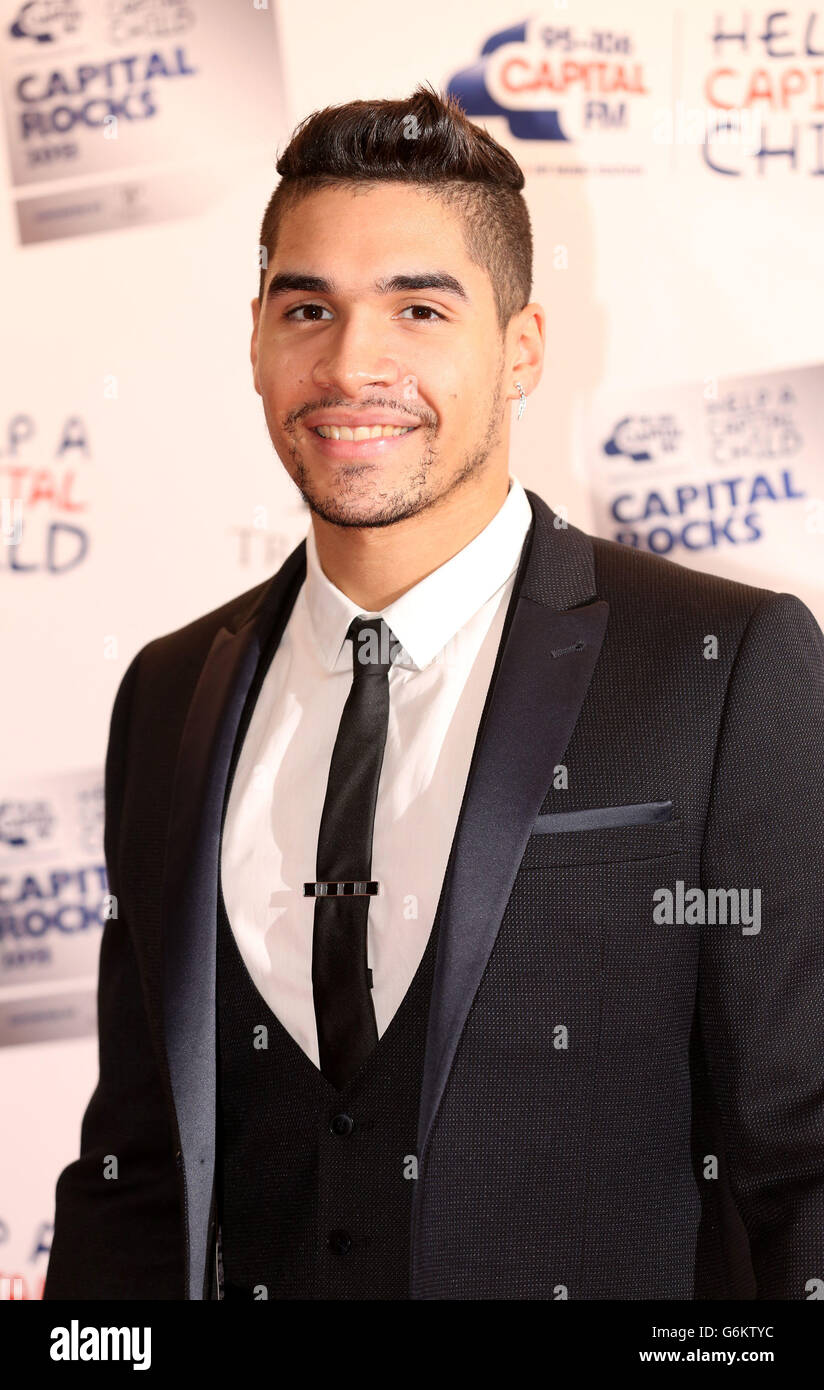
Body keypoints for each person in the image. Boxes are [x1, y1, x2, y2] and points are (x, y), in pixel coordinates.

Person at [44, 84, 824, 1301]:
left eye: (418, 307)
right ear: (255, 335)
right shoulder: (168, 693)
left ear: (520, 348)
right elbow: (137, 1171)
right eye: (310, 308)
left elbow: (798, 1158)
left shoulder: (718, 664)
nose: (354, 363)